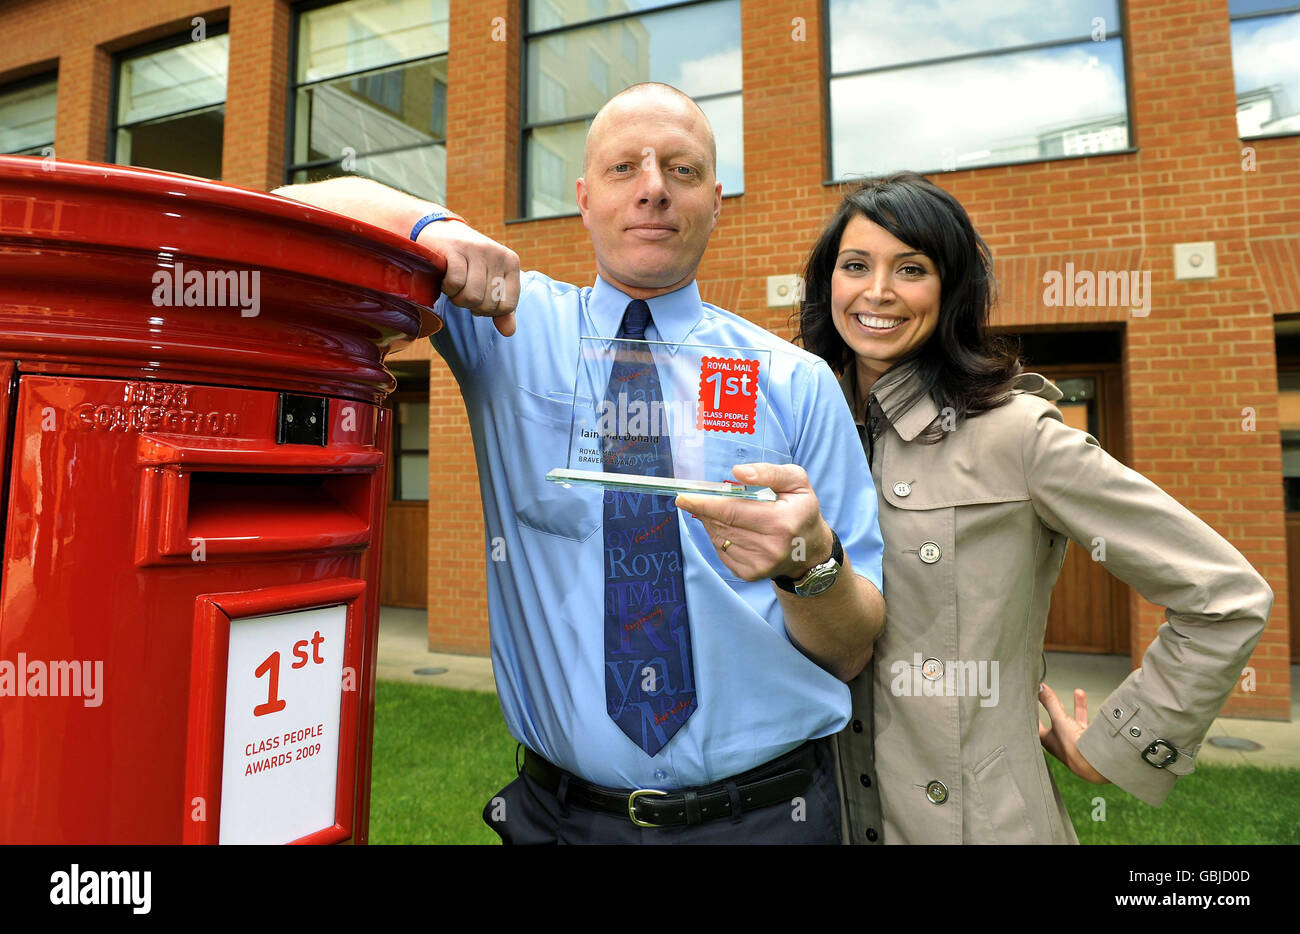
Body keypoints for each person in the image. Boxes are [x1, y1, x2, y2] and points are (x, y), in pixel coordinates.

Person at [275, 82, 886, 843]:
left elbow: (853, 647)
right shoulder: (506, 328)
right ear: (584, 197)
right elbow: (297, 206)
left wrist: (809, 563)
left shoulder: (796, 380)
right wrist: (430, 227)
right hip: (563, 822)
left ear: (717, 201)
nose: (654, 189)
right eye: (625, 167)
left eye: (683, 171)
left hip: (766, 818)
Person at [796, 172, 1273, 845]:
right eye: (855, 265)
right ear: (828, 284)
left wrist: (1123, 744)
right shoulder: (792, 434)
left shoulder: (1018, 433)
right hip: (821, 820)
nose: (877, 291)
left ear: (951, 289)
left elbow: (1224, 595)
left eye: (911, 268)